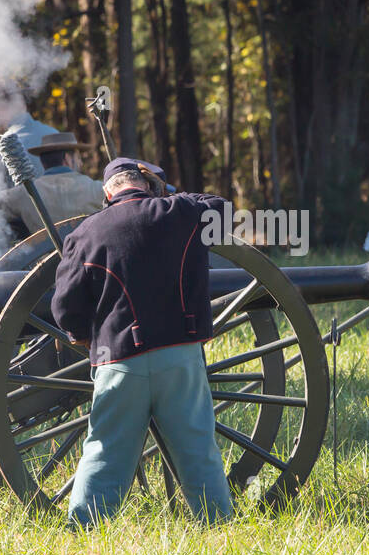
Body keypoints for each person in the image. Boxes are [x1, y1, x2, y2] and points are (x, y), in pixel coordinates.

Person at [52, 157, 234, 528]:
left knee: (104, 453)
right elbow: (223, 209)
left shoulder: (84, 234)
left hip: (116, 359)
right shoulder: (179, 212)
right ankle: (217, 526)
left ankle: (84, 530)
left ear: (107, 192)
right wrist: (167, 191)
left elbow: (65, 308)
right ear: (146, 183)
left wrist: (86, 339)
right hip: (179, 355)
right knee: (199, 449)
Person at [0, 128, 105, 233]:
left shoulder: (24, 193)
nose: (80, 163)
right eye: (78, 158)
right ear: (68, 159)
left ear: (43, 163)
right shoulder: (98, 189)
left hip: (45, 269)